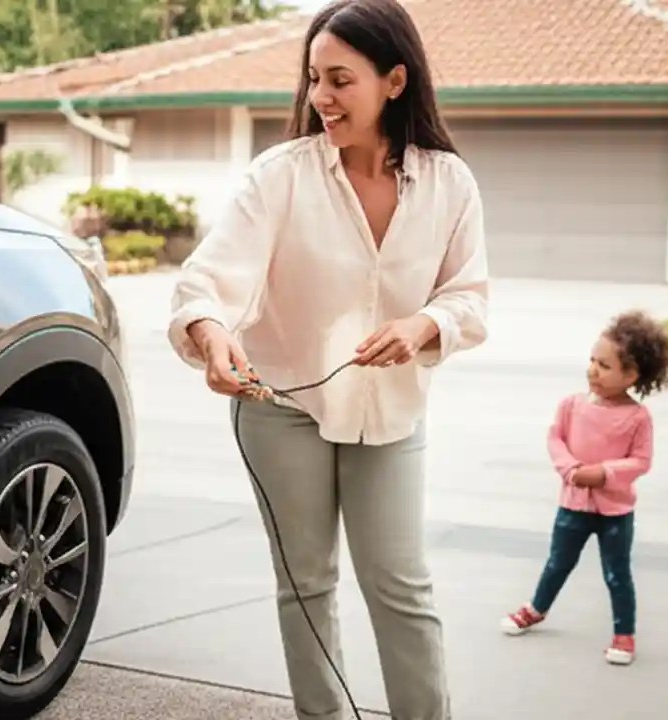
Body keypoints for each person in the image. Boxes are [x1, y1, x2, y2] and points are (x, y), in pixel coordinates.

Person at [166, 1, 488, 718]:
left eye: (340, 80)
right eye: (314, 78)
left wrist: (423, 324)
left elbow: (470, 297)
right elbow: (206, 281)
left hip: (392, 414)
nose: (321, 97)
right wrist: (212, 335)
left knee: (400, 585)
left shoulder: (449, 183)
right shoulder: (278, 176)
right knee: (305, 586)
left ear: (395, 81)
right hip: (280, 407)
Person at [501, 311, 668, 666]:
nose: (593, 370)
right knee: (558, 563)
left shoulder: (637, 418)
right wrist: (570, 470)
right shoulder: (571, 406)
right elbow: (555, 439)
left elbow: (641, 461)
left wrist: (603, 474)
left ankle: (624, 633)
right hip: (572, 507)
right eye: (592, 361)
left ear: (631, 375)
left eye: (605, 365)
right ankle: (536, 608)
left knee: (617, 573)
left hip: (615, 513)